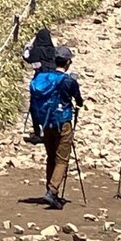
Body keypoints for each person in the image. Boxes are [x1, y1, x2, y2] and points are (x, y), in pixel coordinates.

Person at [30, 46, 83, 209]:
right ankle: (52, 192)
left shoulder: (45, 78)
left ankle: (50, 190)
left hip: (46, 123)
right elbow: (79, 100)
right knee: (62, 159)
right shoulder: (68, 81)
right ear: (67, 62)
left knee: (51, 157)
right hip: (63, 122)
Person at [21, 26, 56, 143]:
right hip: (53, 81)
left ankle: (37, 133)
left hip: (39, 81)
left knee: (35, 106)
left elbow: (26, 57)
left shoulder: (36, 51)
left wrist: (29, 46)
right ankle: (50, 131)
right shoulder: (53, 51)